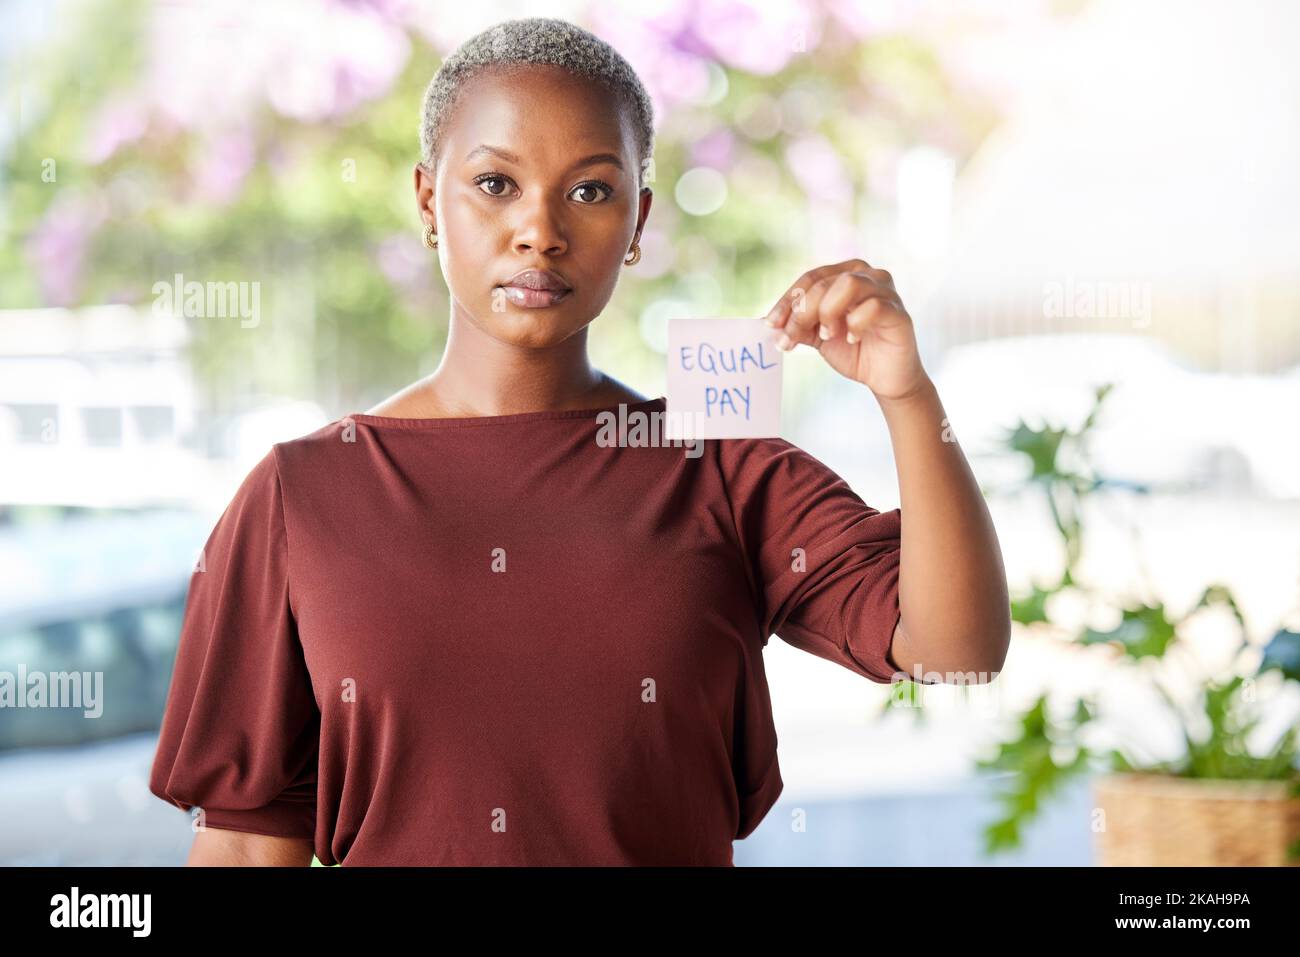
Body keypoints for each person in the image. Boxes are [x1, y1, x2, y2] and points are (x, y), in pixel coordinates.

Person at [149, 16, 1009, 867]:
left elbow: (955, 649)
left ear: (637, 222)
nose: (541, 230)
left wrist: (907, 395)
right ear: (426, 200)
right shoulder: (301, 494)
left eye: (591, 190)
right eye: (496, 184)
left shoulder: (720, 467)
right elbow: (245, 844)